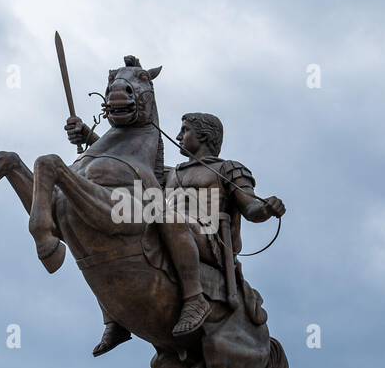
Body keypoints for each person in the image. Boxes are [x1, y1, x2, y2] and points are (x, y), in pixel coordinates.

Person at [65, 110, 284, 352]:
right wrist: (86, 134)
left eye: (185, 130)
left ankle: (195, 300)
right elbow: (126, 161)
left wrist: (267, 208)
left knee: (163, 214)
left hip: (210, 240)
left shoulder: (228, 169)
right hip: (174, 231)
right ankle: (115, 317)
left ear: (204, 136)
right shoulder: (174, 173)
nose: (178, 136)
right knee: (118, 230)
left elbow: (251, 207)